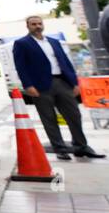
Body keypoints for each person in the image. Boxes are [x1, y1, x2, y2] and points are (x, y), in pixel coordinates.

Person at [13, 15, 104, 160]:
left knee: (74, 115)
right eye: (33, 24)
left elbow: (66, 62)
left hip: (62, 82)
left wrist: (74, 82)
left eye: (39, 23)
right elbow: (20, 67)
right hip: (40, 86)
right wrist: (28, 85)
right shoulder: (21, 43)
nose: (37, 26)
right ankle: (60, 148)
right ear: (28, 26)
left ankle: (81, 146)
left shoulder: (54, 42)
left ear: (43, 25)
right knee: (49, 118)